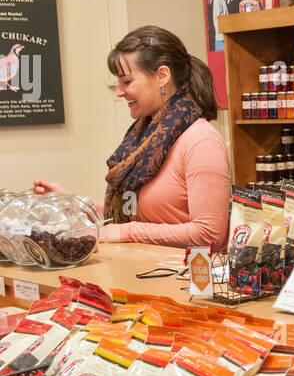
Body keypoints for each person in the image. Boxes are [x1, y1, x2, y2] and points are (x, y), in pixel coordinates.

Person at [34, 26, 230, 249]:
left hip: (183, 281)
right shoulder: (146, 137)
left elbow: (209, 234)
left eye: (126, 82)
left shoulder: (201, 141)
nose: (118, 91)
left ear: (162, 76)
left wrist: (128, 231)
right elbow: (133, 214)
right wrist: (75, 204)